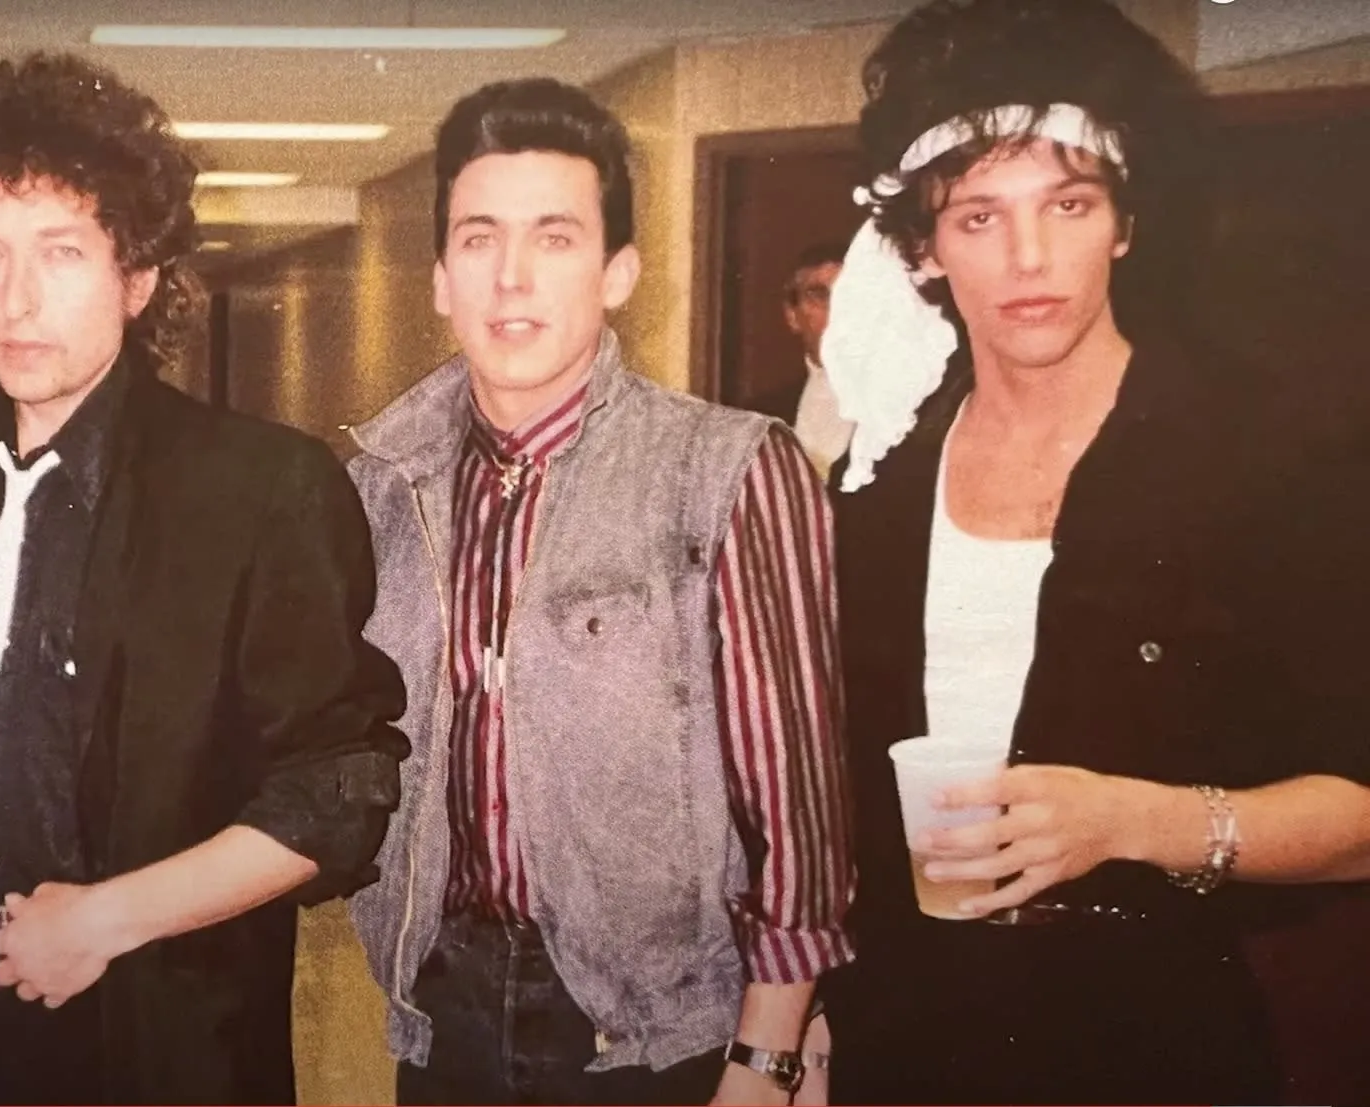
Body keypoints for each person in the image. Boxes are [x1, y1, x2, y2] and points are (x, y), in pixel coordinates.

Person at [0, 52, 410, 1105]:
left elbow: (335, 794)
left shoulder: (260, 488)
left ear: (137, 276)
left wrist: (102, 920)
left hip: (161, 1023)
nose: (17, 296)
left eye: (61, 251)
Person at [817, 1, 1370, 1102]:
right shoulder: (872, 485)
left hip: (1155, 1045)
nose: (1028, 257)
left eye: (1066, 204)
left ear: (1123, 220)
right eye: (977, 217)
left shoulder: (1266, 460)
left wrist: (1132, 818)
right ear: (922, 251)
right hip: (903, 1039)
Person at [347, 77, 853, 1106]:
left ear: (618, 271)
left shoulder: (724, 469)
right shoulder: (377, 484)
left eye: (556, 238)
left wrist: (768, 1051)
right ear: (440, 276)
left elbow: (794, 807)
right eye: (478, 240)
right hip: (440, 1014)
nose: (512, 278)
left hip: (657, 1030)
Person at [758, 243, 853, 479]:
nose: (840, 310)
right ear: (792, 316)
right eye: (821, 296)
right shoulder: (757, 418)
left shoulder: (916, 414)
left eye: (851, 294)